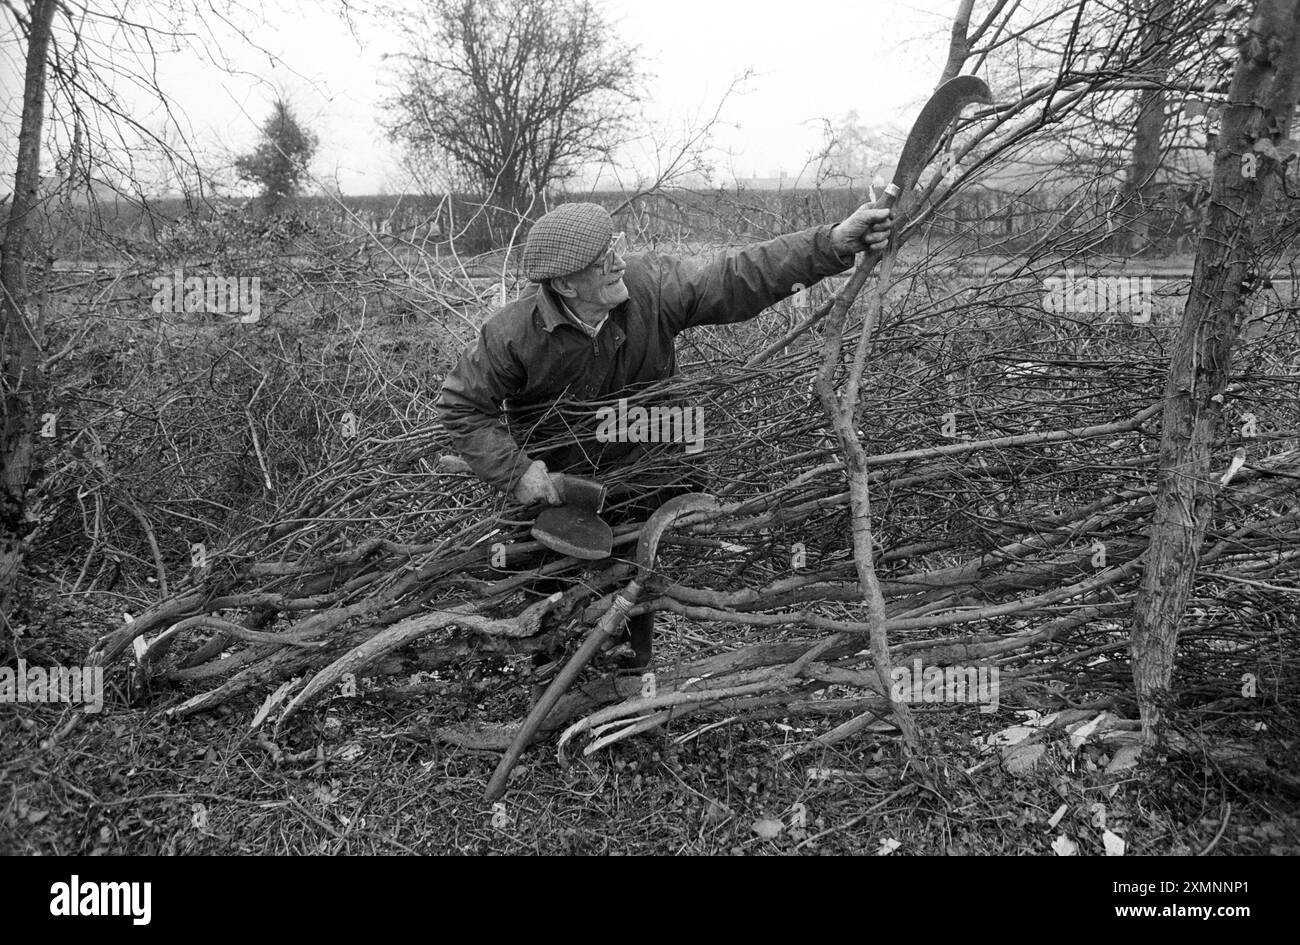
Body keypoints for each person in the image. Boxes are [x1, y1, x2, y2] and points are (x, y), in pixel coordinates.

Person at [437, 201, 893, 667]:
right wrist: (518, 474)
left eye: (613, 249)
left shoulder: (649, 288)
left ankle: (630, 674)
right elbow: (462, 406)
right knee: (545, 594)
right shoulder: (512, 335)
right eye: (601, 262)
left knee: (634, 581)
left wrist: (832, 242)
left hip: (647, 473)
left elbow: (734, 277)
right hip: (560, 490)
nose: (618, 263)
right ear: (565, 284)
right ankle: (550, 671)